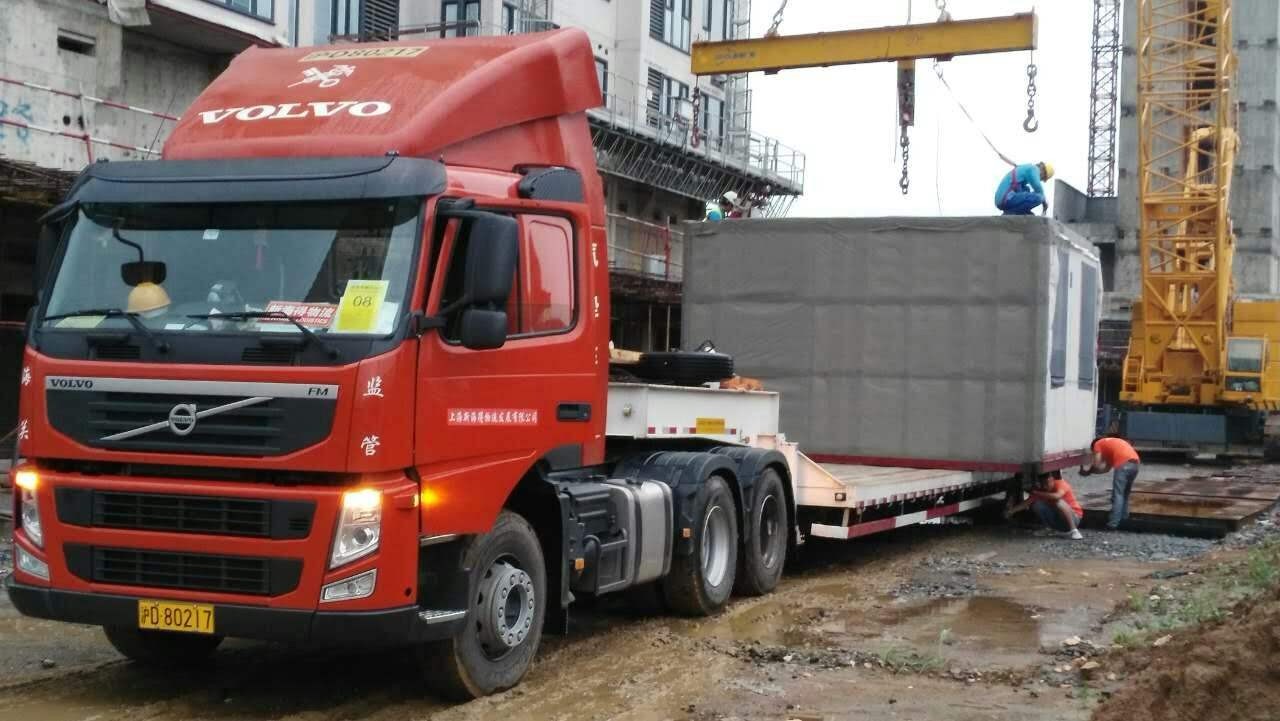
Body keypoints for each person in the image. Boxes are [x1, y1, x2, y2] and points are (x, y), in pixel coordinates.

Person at [1081, 436, 1141, 530]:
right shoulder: (1110, 445)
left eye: (1094, 452)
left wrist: (1087, 471)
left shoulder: (1097, 444)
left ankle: (1112, 524)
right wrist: (1091, 472)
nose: (1095, 453)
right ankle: (1124, 519)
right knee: (1125, 494)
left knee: (1118, 494)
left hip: (1123, 464)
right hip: (1135, 463)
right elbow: (1105, 469)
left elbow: (1097, 464)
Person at [1006, 471, 1084, 539]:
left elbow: (1057, 496)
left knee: (1058, 501)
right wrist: (1011, 511)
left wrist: (1036, 493)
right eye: (1043, 484)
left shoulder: (1060, 483)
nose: (1045, 486)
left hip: (1075, 518)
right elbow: (1026, 503)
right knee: (1036, 505)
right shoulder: (1041, 489)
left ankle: (1074, 531)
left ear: (1051, 479)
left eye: (1047, 483)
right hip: (1058, 521)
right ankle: (1050, 529)